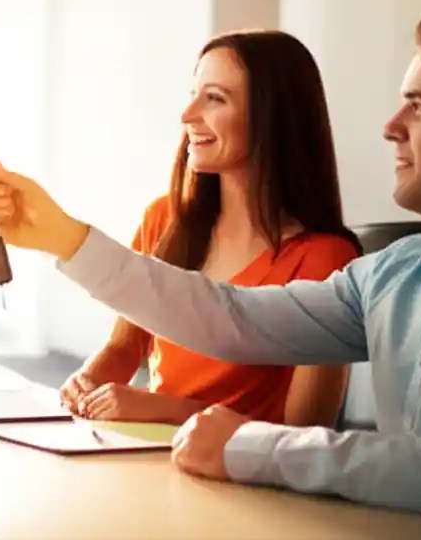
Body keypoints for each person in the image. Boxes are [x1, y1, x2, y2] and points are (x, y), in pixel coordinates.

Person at [0, 3, 421, 537]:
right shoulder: (398, 271)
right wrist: (64, 238)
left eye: (420, 107)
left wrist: (247, 444)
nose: (390, 127)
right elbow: (231, 316)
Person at [59, 31, 357, 428]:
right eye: (193, 93)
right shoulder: (162, 220)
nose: (187, 115)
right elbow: (123, 347)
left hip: (242, 481)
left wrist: (167, 410)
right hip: (151, 459)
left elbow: (302, 432)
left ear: (273, 117)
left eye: (214, 98)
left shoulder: (327, 259)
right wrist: (89, 381)